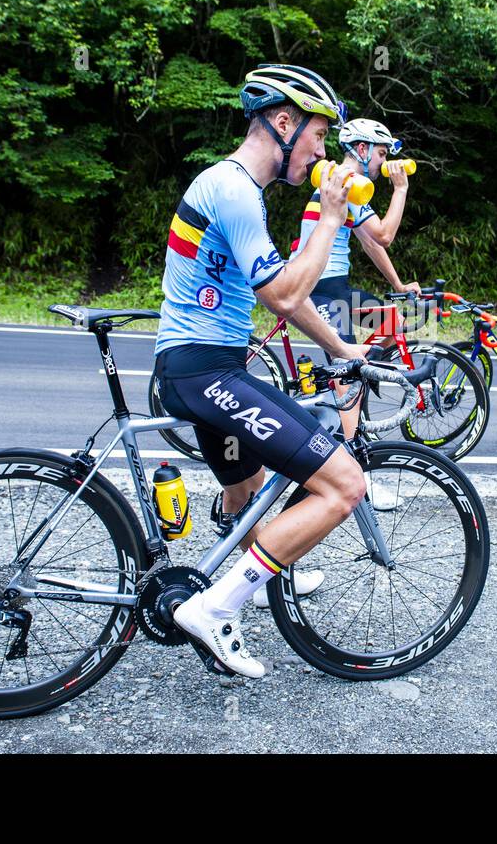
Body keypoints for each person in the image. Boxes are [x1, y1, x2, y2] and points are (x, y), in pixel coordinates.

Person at [152, 63, 374, 678]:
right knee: (344, 484)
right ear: (283, 123)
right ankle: (217, 608)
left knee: (247, 492)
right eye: (319, 138)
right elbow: (281, 297)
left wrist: (340, 347)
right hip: (206, 371)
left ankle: (255, 569)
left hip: (195, 365)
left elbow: (290, 293)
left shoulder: (228, 187)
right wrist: (330, 217)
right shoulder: (235, 190)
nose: (322, 154)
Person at [287, 118, 419, 511]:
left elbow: (369, 244)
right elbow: (384, 235)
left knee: (388, 323)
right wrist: (401, 190)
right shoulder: (345, 179)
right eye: (380, 153)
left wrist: (397, 286)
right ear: (362, 150)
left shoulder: (343, 181)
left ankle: (335, 400)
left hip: (336, 283)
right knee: (351, 374)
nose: (384, 162)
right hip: (322, 286)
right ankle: (357, 473)